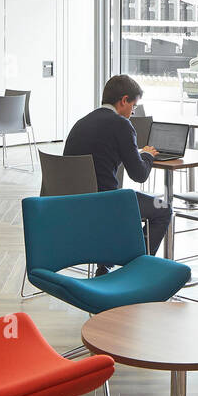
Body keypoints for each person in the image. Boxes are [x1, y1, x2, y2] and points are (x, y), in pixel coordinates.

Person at [63, 73, 170, 263]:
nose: (133, 112)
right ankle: (140, 266)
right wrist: (146, 155)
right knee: (163, 208)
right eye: (133, 106)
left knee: (125, 197)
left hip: (71, 203)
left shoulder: (81, 122)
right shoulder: (122, 125)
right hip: (106, 203)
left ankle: (106, 265)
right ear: (123, 101)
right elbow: (139, 174)